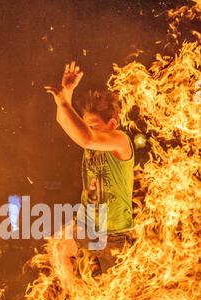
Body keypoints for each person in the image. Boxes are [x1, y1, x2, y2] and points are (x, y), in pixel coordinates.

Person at [44, 61, 134, 285]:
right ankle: (76, 299)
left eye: (93, 125)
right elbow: (63, 121)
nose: (86, 129)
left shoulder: (120, 141)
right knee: (58, 245)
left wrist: (66, 103)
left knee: (112, 294)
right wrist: (67, 93)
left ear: (112, 124)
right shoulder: (90, 140)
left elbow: (86, 137)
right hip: (87, 223)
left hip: (113, 233)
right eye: (86, 124)